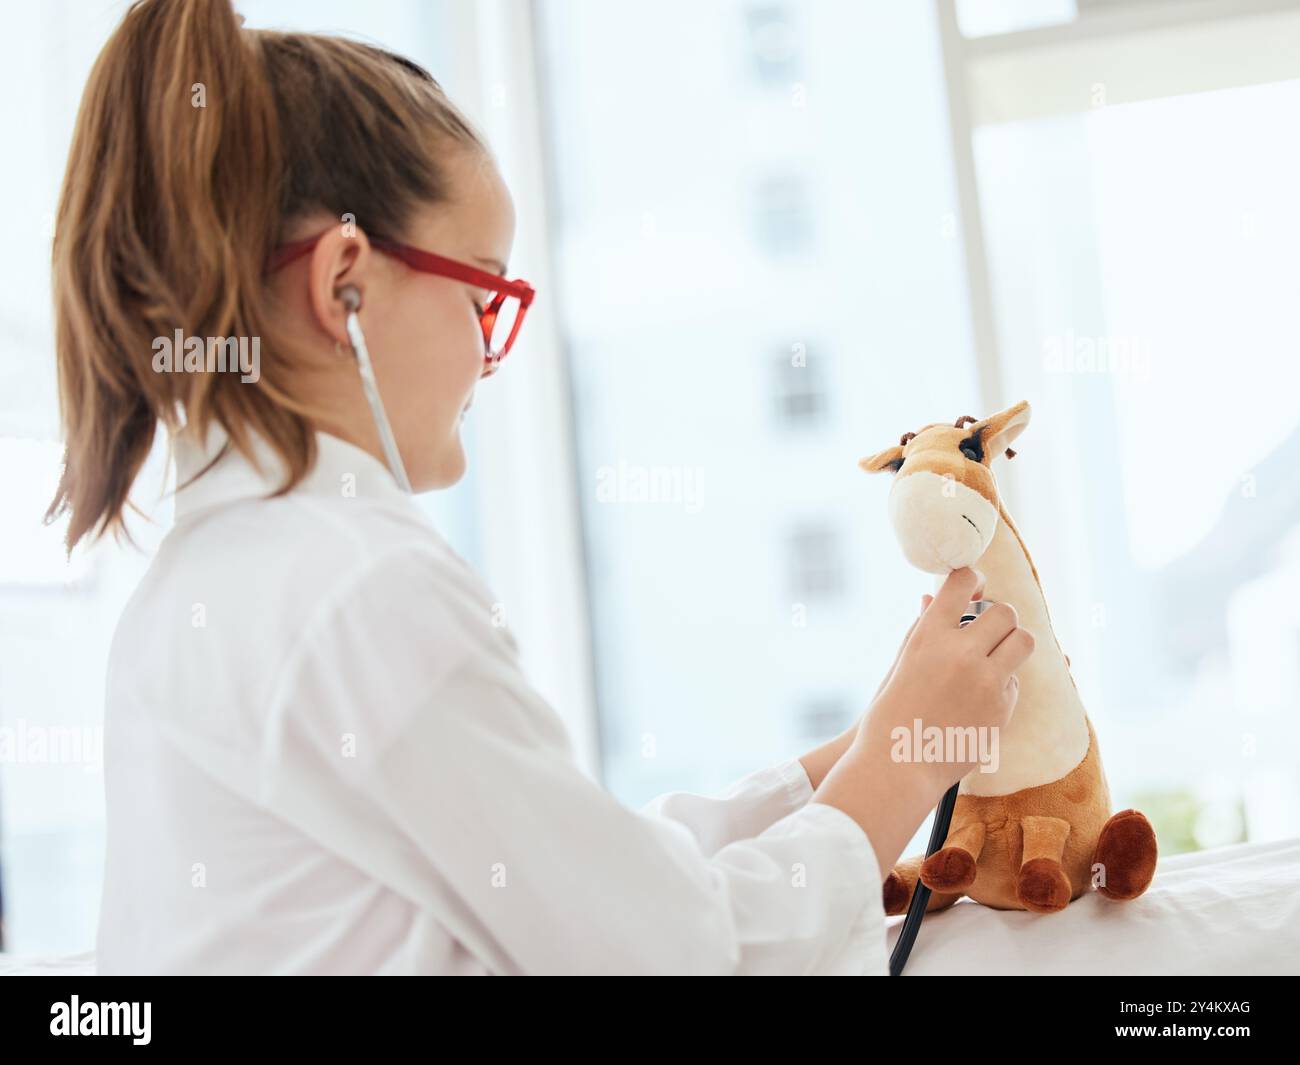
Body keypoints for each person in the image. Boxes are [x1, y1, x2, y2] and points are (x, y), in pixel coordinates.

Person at [50, 0, 1034, 975]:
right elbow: (672, 956)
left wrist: (863, 747)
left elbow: (578, 883)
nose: (490, 356)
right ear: (344, 283)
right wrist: (905, 760)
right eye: (485, 295)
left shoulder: (203, 588)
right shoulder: (355, 586)